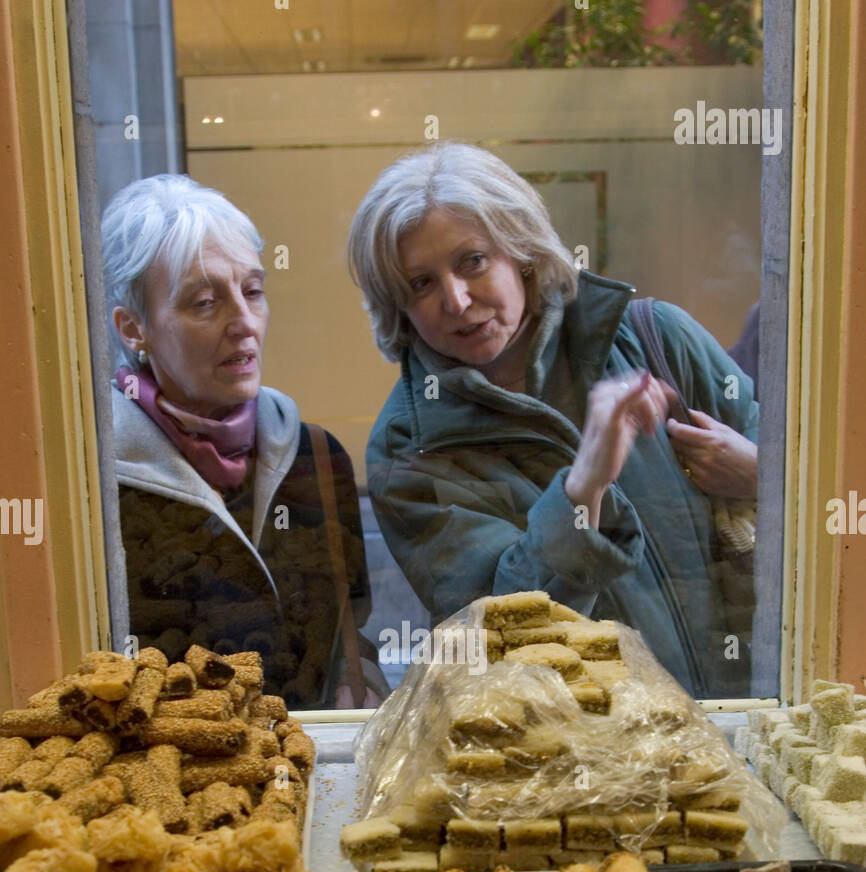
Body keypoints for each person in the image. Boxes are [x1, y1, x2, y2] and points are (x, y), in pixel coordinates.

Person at [347, 143, 759, 698]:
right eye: (421, 284)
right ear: (397, 305)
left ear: (521, 251)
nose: (457, 300)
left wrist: (760, 472)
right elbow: (508, 641)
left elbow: (811, 502)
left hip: (744, 721)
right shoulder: (408, 448)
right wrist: (583, 487)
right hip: (580, 761)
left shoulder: (658, 337)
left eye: (472, 260)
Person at [102, 173, 386, 709]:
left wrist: (362, 686)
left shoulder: (318, 458)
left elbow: (348, 634)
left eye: (253, 292)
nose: (244, 322)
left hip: (308, 766)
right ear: (133, 328)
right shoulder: (95, 479)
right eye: (206, 302)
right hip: (174, 779)